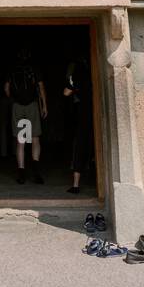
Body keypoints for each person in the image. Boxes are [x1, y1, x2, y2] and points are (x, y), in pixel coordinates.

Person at [5, 48, 47, 185]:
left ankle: (21, 173)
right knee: (35, 138)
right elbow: (41, 88)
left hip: (18, 106)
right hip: (32, 106)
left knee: (21, 141)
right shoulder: (35, 68)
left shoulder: (12, 68)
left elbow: (6, 88)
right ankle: (36, 172)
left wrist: (13, 101)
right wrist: (44, 106)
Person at [62, 54, 92, 194]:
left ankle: (76, 185)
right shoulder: (93, 73)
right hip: (96, 114)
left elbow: (66, 93)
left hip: (81, 114)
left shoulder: (76, 76)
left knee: (79, 147)